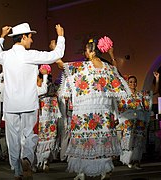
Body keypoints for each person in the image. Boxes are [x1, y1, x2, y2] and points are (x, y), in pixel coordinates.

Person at [0, 22, 65, 179]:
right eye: (30, 37)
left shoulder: (5, 56)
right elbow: (55, 55)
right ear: (23, 37)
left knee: (13, 139)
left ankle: (17, 171)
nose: (31, 41)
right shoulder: (30, 55)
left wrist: (2, 37)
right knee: (30, 135)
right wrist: (61, 36)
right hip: (28, 103)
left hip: (11, 105)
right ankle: (27, 158)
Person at [58, 36, 131, 180]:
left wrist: (57, 46)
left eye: (86, 50)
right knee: (102, 138)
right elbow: (119, 79)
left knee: (84, 138)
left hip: (84, 109)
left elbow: (62, 65)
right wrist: (111, 54)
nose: (85, 53)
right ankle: (104, 171)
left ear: (92, 51)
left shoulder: (82, 67)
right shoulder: (109, 69)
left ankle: (81, 172)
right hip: (103, 110)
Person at [118, 73, 158, 169]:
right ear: (128, 83)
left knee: (138, 141)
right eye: (131, 82)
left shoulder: (140, 94)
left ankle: (136, 161)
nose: (133, 84)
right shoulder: (123, 95)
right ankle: (128, 160)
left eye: (134, 82)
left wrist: (157, 79)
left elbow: (155, 92)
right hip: (128, 121)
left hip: (140, 120)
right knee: (128, 140)